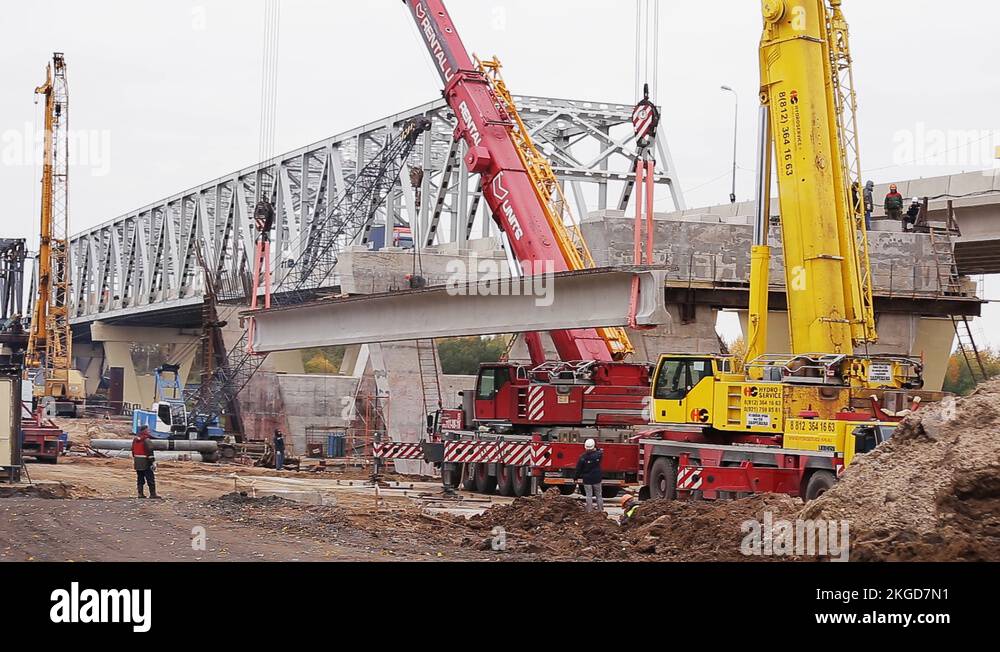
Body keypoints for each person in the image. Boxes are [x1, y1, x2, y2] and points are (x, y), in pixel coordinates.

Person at [573, 439, 604, 512]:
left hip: (587, 479)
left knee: (589, 495)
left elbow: (578, 469)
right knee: (599, 495)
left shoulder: (583, 457)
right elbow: (599, 450)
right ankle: (600, 510)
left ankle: (589, 511)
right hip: (597, 478)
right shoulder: (599, 455)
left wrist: (575, 477)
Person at [131, 425, 159, 499]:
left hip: (137, 462)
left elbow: (133, 450)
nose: (149, 431)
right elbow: (150, 451)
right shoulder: (147, 440)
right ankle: (153, 494)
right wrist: (153, 462)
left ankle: (140, 494)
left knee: (140, 478)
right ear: (145, 431)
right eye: (148, 430)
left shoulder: (135, 440)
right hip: (146, 462)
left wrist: (135, 459)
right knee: (150, 478)